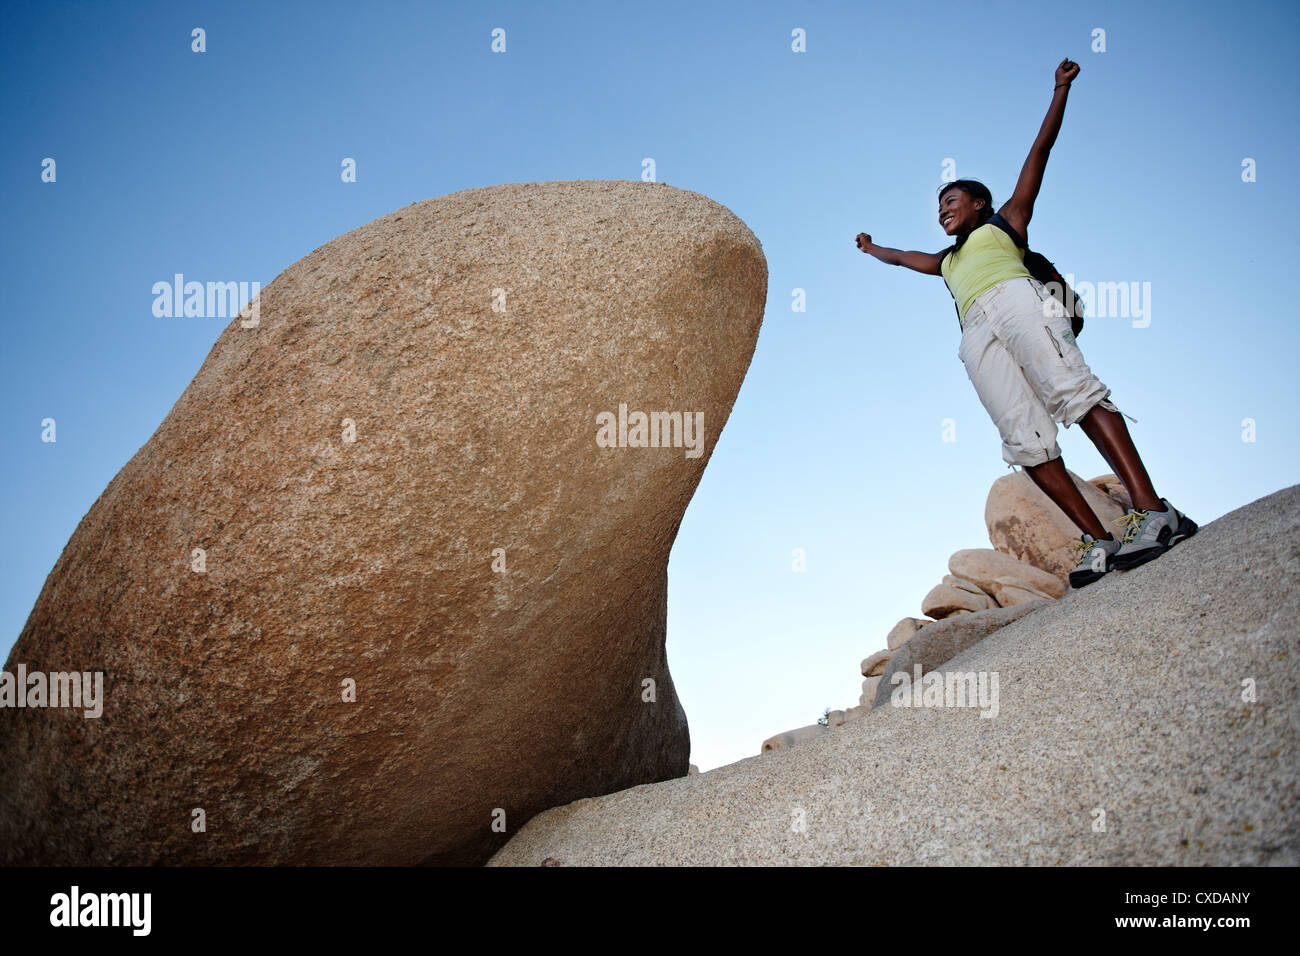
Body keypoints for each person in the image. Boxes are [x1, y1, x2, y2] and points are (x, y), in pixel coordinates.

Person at [853, 58, 1196, 589]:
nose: (943, 209)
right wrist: (872, 248)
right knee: (1023, 438)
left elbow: (1040, 151)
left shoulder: (1005, 221)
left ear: (979, 203)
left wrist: (1059, 91)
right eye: (938, 205)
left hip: (1018, 301)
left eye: (951, 200)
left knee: (1072, 393)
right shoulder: (946, 261)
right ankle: (1099, 541)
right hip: (975, 334)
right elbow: (903, 258)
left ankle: (1154, 513)